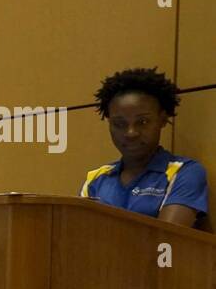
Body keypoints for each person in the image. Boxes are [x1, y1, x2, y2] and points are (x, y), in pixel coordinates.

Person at [80, 67, 208, 229]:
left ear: (162, 119)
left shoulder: (184, 173)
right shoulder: (96, 179)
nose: (131, 133)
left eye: (143, 122)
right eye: (120, 124)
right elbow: (77, 239)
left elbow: (164, 242)